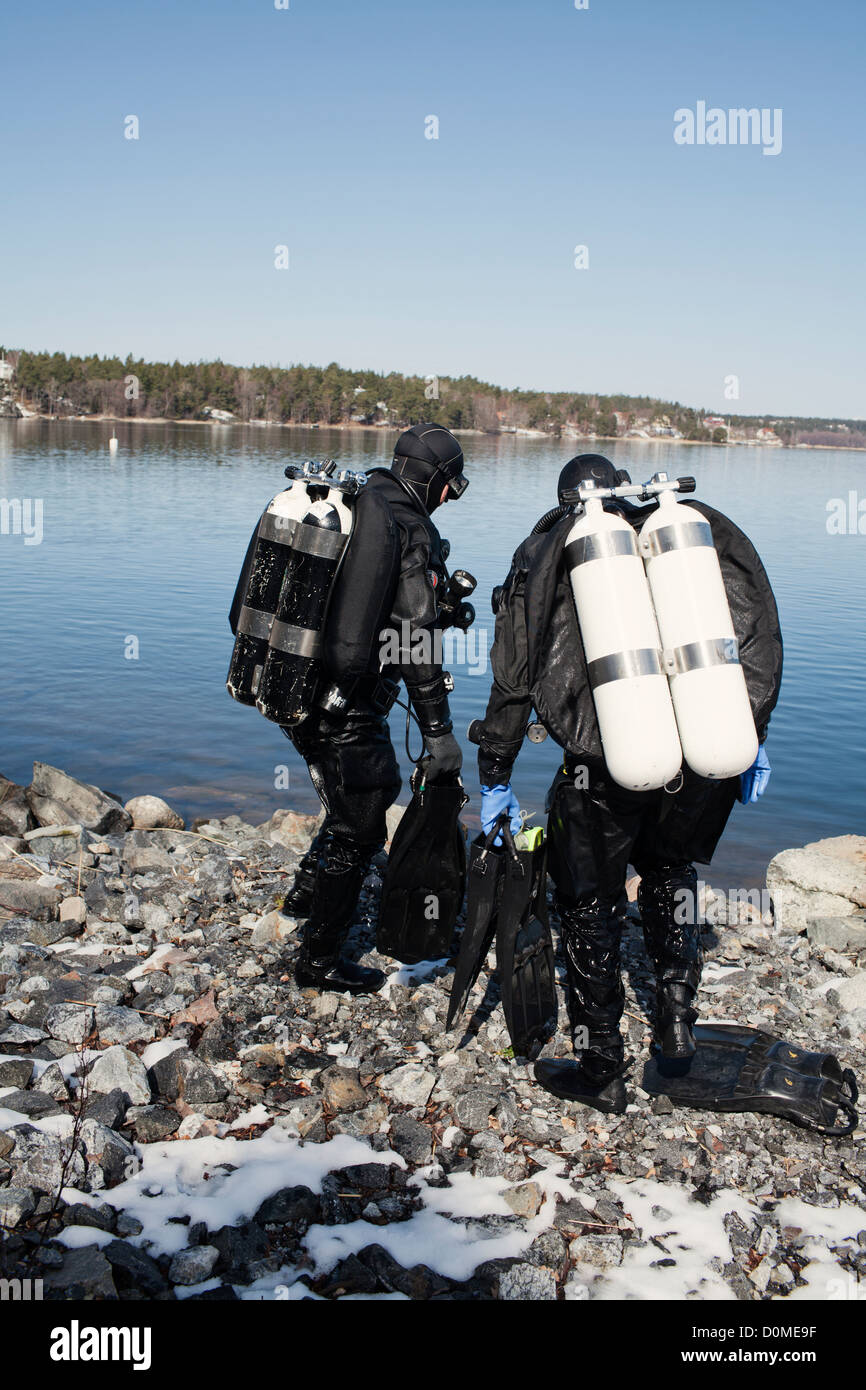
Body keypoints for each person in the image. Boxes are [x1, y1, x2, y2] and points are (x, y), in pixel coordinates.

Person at [474, 454, 782, 1111]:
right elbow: (755, 633)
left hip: (603, 757)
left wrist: (495, 773)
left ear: (565, 500)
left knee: (590, 903)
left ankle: (600, 1067)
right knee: (670, 872)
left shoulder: (551, 548)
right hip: (700, 744)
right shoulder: (689, 534)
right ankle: (674, 1032)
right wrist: (755, 734)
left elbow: (514, 672)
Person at [274, 424, 469, 994]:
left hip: (298, 685)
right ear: (434, 480)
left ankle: (307, 892)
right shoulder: (407, 525)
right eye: (450, 487)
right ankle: (319, 961)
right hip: (344, 702)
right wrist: (439, 732)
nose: (447, 499)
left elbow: (376, 608)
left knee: (349, 794)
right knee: (363, 819)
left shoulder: (361, 502)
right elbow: (412, 634)